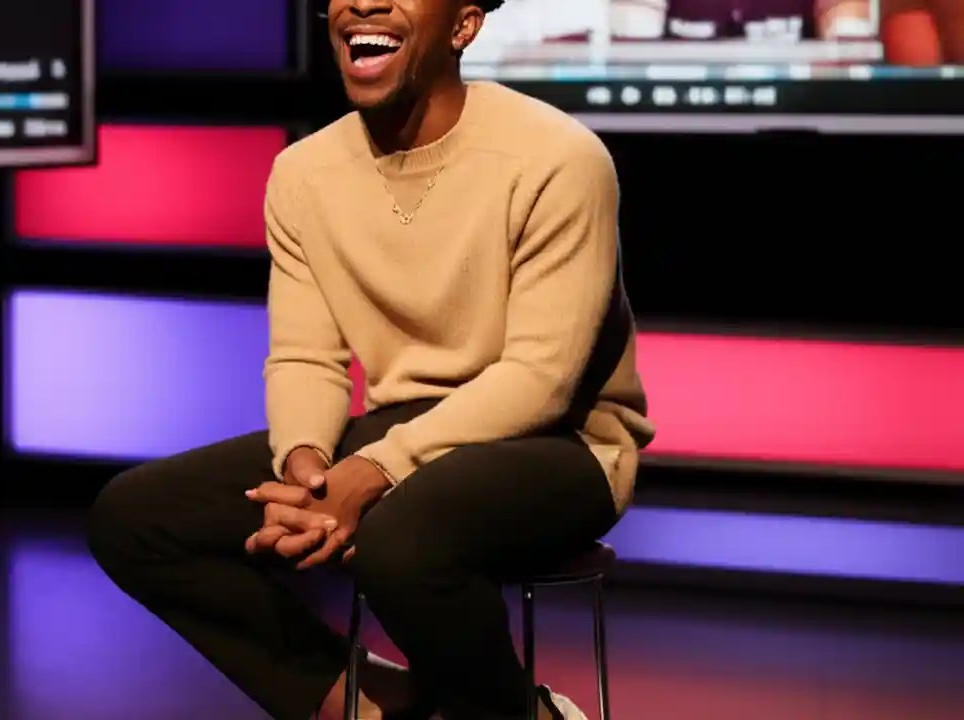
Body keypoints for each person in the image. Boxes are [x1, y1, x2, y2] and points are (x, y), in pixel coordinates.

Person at [87, 1, 654, 718]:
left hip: (560, 442)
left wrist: (374, 471)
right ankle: (376, 705)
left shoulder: (558, 158)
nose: (364, 2)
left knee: (399, 539)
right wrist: (307, 468)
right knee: (138, 516)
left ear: (463, 26)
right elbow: (306, 357)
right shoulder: (303, 173)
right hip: (404, 427)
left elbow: (541, 379)